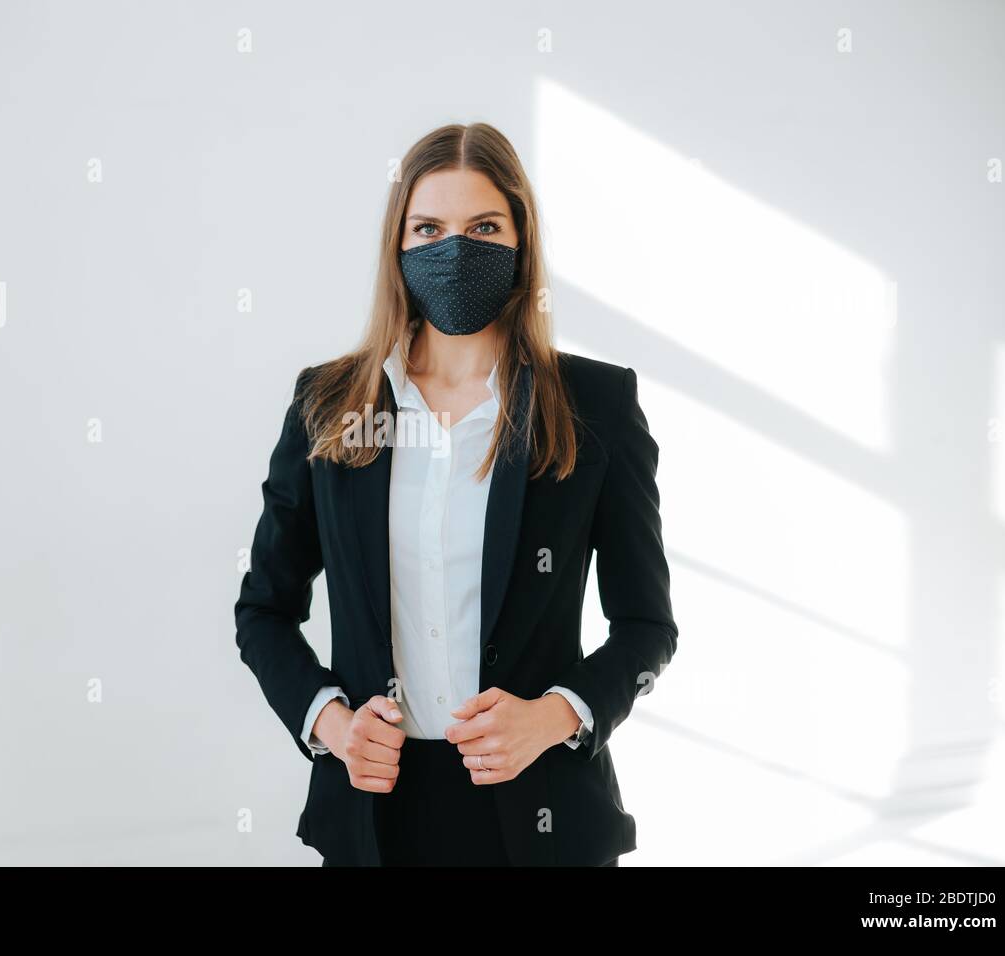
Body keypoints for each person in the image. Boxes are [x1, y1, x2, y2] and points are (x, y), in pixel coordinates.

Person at [234, 122, 678, 866]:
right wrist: (332, 723)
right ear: (399, 246)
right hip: (375, 817)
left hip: (543, 816)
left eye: (483, 227)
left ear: (520, 241)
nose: (455, 250)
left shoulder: (595, 405)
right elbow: (264, 611)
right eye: (430, 228)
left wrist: (553, 716)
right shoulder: (330, 404)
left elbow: (645, 626)